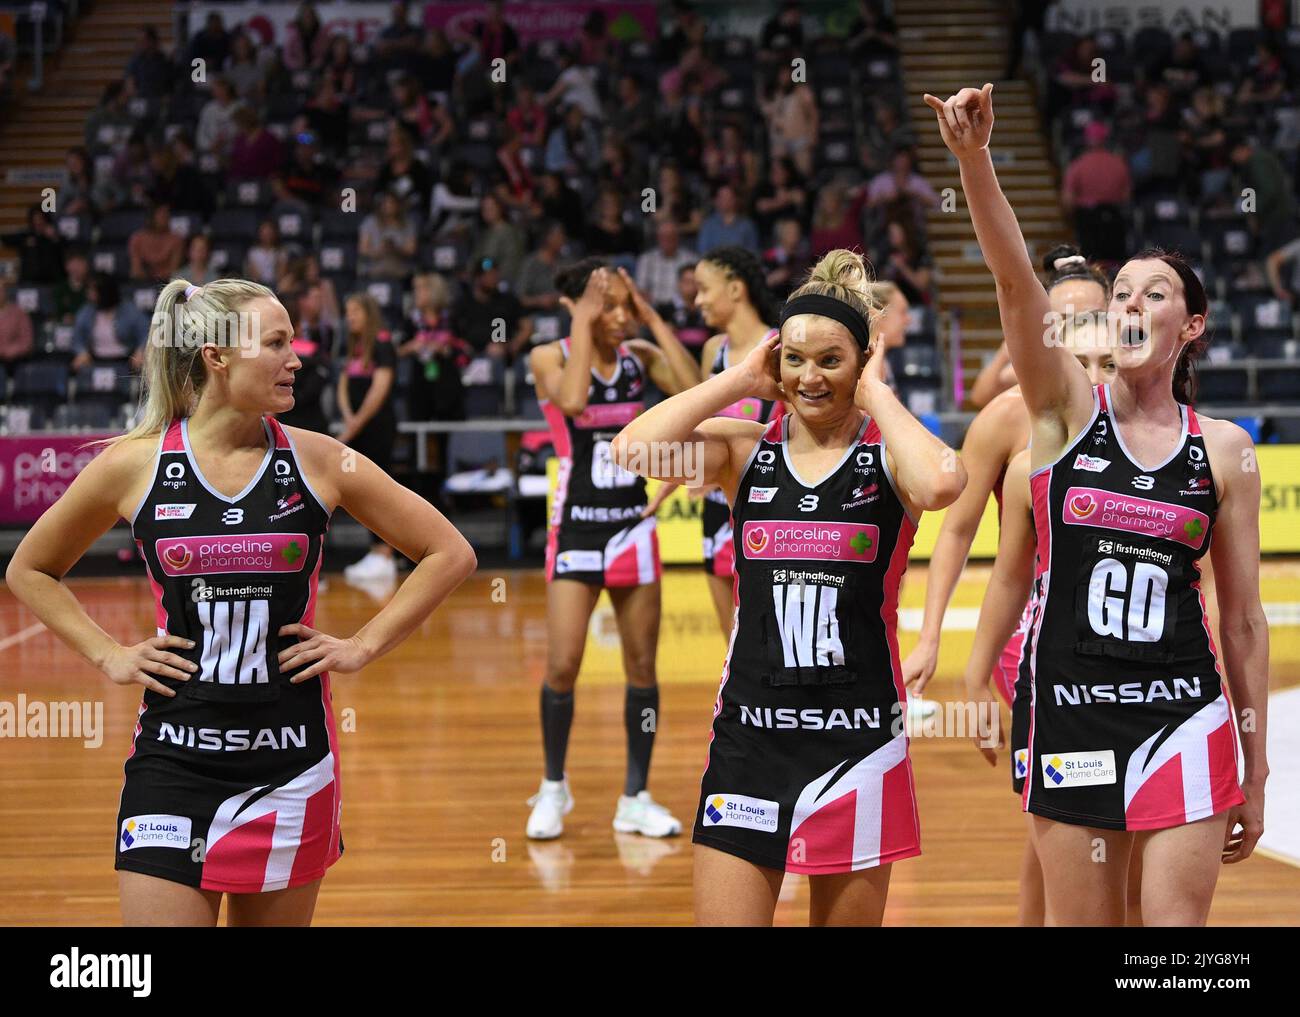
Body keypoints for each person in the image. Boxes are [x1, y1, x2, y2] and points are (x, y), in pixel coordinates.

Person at [3, 277, 475, 926]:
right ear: (216, 356)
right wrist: (108, 654)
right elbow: (30, 567)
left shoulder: (322, 460)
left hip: (291, 759)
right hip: (173, 757)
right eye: (277, 342)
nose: (297, 357)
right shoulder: (136, 464)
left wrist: (362, 643)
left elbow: (449, 551)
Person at [927, 82, 1268, 925]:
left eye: (1155, 294)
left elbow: (1245, 622)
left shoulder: (1223, 449)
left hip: (1184, 709)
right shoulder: (1061, 412)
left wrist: (1255, 771)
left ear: (1191, 326)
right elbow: (1014, 285)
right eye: (1122, 294)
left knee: (1174, 938)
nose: (1130, 304)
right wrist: (974, 161)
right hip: (1068, 708)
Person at [613, 249, 966, 925]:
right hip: (750, 740)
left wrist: (877, 392)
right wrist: (740, 377)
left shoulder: (889, 460)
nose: (810, 376)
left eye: (832, 360)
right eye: (796, 358)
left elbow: (943, 482)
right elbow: (632, 451)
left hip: (859, 743)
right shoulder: (744, 452)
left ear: (859, 364)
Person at [523, 261, 698, 842]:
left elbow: (694, 386)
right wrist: (582, 316)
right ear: (578, 308)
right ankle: (553, 786)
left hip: (632, 525)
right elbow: (573, 402)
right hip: (574, 526)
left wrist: (650, 316)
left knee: (642, 668)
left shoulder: (638, 355)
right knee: (563, 664)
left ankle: (636, 796)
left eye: (627, 304)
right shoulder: (549, 357)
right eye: (610, 305)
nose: (620, 316)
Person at [961, 312, 1123, 926]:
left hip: (1160, 697)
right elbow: (1007, 576)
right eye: (1079, 365)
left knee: (1130, 885)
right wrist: (973, 677)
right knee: (1070, 879)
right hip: (1057, 690)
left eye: (1107, 364)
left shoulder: (1180, 454)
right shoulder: (1030, 464)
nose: (1093, 379)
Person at [692, 247, 783, 634]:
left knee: (774, 637)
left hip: (769, 503)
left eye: (703, 289)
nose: (697, 300)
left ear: (734, 289)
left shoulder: (780, 346)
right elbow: (698, 419)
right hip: (715, 506)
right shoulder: (713, 350)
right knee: (732, 642)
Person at [338, 293, 401, 586]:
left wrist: (355, 424)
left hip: (377, 428)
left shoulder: (383, 343)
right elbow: (343, 384)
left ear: (369, 314)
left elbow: (380, 390)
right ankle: (374, 550)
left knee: (378, 490)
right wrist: (349, 417)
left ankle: (385, 552)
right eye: (347, 311)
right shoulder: (354, 346)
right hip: (358, 428)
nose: (349, 316)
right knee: (361, 492)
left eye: (355, 311)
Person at [71, 273, 150, 371]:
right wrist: (81, 352)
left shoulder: (129, 310)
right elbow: (77, 337)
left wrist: (140, 350)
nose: (89, 293)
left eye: (93, 290)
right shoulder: (86, 311)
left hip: (124, 361)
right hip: (95, 361)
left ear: (104, 291)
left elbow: (147, 332)